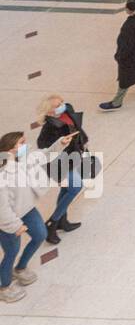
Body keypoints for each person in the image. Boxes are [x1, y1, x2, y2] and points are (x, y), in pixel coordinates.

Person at [0, 132, 49, 304]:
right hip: (7, 219)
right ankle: (3, 286)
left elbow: (42, 154)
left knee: (40, 235)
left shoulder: (22, 162)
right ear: (11, 149)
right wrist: (15, 226)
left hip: (26, 209)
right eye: (22, 143)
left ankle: (20, 269)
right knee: (11, 251)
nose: (26, 146)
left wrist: (60, 144)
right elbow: (2, 209)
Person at [35, 95, 88, 244]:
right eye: (58, 105)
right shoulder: (49, 127)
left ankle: (62, 221)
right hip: (60, 162)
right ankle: (53, 221)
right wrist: (60, 143)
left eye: (62, 102)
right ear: (50, 112)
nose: (62, 105)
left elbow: (77, 126)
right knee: (76, 186)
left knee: (66, 189)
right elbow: (43, 146)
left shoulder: (67, 111)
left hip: (73, 156)